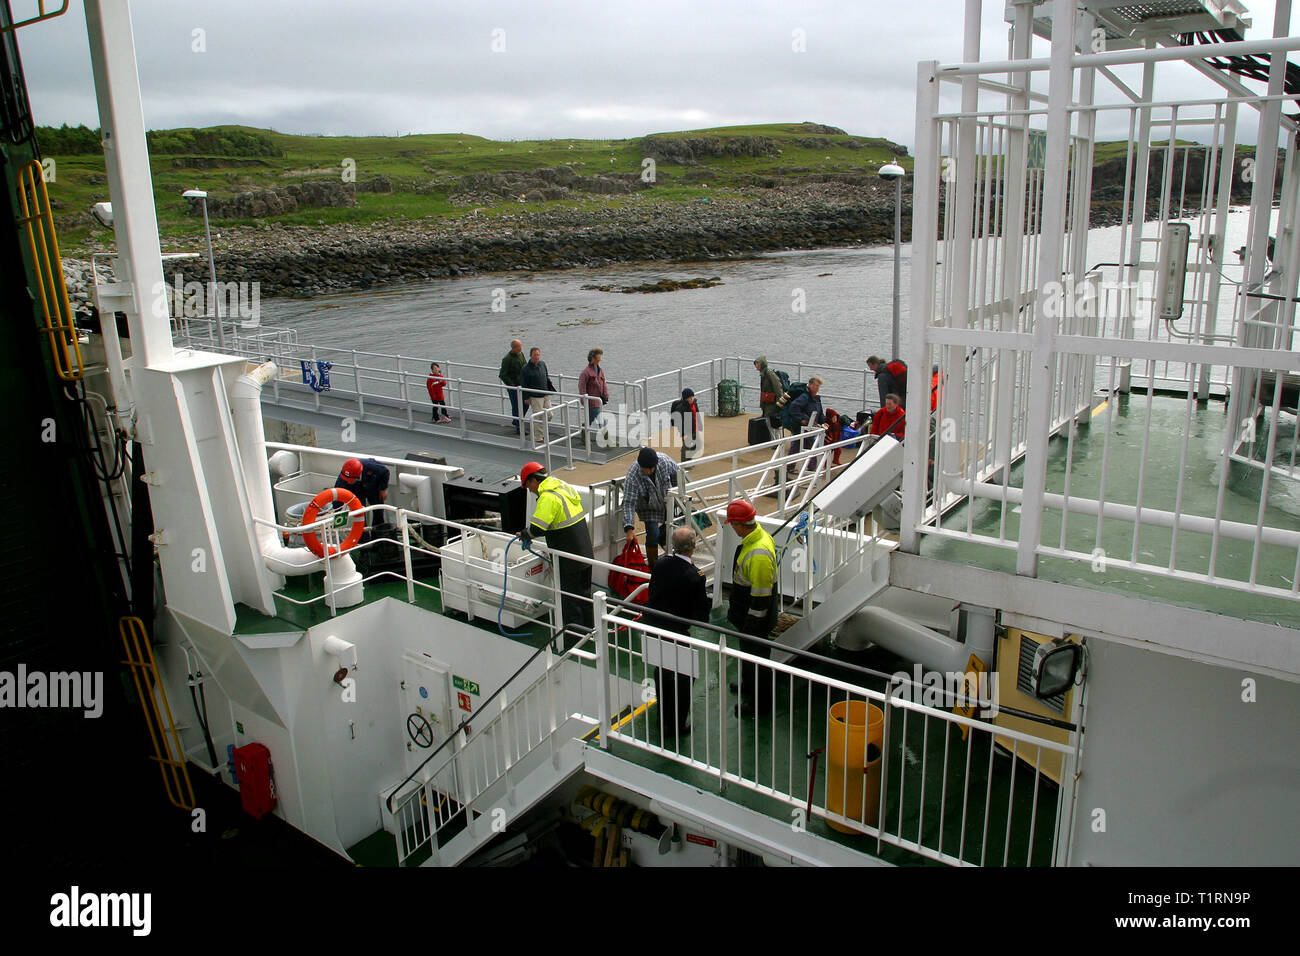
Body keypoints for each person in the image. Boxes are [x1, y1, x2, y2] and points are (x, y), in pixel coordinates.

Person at [644, 526, 711, 740]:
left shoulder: (661, 564)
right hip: (676, 632)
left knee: (661, 671)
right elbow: (700, 614)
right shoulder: (695, 576)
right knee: (684, 678)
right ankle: (676, 726)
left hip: (654, 626)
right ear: (693, 547)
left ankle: (662, 718)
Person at [518, 461, 593, 647]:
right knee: (584, 594)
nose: (530, 491)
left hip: (567, 557)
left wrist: (526, 533)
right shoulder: (563, 486)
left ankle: (573, 640)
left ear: (534, 480)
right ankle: (590, 631)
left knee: (569, 598)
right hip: (584, 552)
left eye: (529, 486)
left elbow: (538, 526)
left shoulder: (548, 496)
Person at [723, 499, 777, 717]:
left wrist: (751, 625)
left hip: (755, 618)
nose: (732, 528)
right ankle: (747, 685)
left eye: (732, 524)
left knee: (758, 662)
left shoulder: (759, 553)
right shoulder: (757, 537)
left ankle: (759, 706)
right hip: (747, 614)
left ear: (739, 524)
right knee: (747, 654)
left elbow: (761, 597)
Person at [622, 446, 680, 568]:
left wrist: (678, 495)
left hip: (667, 500)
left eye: (652, 468)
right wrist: (629, 528)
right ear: (640, 466)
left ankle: (673, 559)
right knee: (653, 534)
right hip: (647, 507)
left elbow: (678, 475)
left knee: (673, 530)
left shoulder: (665, 462)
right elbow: (628, 502)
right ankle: (653, 566)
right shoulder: (633, 475)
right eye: (645, 469)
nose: (649, 471)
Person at [783, 375, 826, 470]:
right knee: (812, 446)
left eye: (818, 386)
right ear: (810, 385)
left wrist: (823, 422)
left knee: (798, 446)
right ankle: (811, 467)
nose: (817, 388)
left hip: (810, 426)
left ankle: (790, 466)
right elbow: (793, 407)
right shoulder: (805, 396)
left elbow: (820, 412)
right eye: (815, 385)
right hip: (802, 426)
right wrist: (801, 419)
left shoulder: (816, 398)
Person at [519, 347, 555, 443]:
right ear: (530, 355)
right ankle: (538, 438)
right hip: (535, 396)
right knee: (537, 416)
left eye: (538, 355)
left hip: (545, 393)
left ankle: (539, 430)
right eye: (535, 355)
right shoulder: (525, 369)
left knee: (550, 415)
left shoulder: (542, 364)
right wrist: (526, 397)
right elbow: (524, 383)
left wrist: (550, 388)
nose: (537, 357)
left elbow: (546, 376)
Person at [498, 339, 526, 433]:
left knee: (525, 404)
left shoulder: (521, 354)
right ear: (513, 348)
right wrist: (511, 384)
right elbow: (502, 374)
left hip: (523, 385)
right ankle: (519, 427)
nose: (520, 348)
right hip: (514, 387)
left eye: (521, 346)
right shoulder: (507, 359)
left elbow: (525, 366)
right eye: (518, 347)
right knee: (516, 406)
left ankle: (516, 420)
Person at [669, 387, 703, 461]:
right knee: (687, 448)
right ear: (685, 399)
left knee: (698, 445)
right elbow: (679, 423)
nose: (691, 399)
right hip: (686, 431)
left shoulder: (694, 404)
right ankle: (685, 466)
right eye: (689, 397)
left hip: (694, 428)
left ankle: (687, 456)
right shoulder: (681, 408)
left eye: (692, 396)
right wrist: (683, 434)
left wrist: (700, 425)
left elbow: (697, 415)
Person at [577, 348, 609, 426]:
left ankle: (584, 432)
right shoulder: (586, 372)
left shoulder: (600, 370)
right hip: (591, 401)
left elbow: (603, 383)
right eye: (598, 358)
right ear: (592, 359)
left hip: (599, 400)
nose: (600, 360)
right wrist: (584, 400)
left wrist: (606, 395)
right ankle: (606, 437)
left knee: (589, 420)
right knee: (603, 422)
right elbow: (582, 387)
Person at [754, 356, 784, 432]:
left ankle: (777, 441)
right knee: (769, 422)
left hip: (773, 402)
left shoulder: (769, 374)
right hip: (767, 402)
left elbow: (777, 387)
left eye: (758, 364)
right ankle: (774, 440)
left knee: (774, 423)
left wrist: (779, 402)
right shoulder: (763, 374)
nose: (756, 366)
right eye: (756, 364)